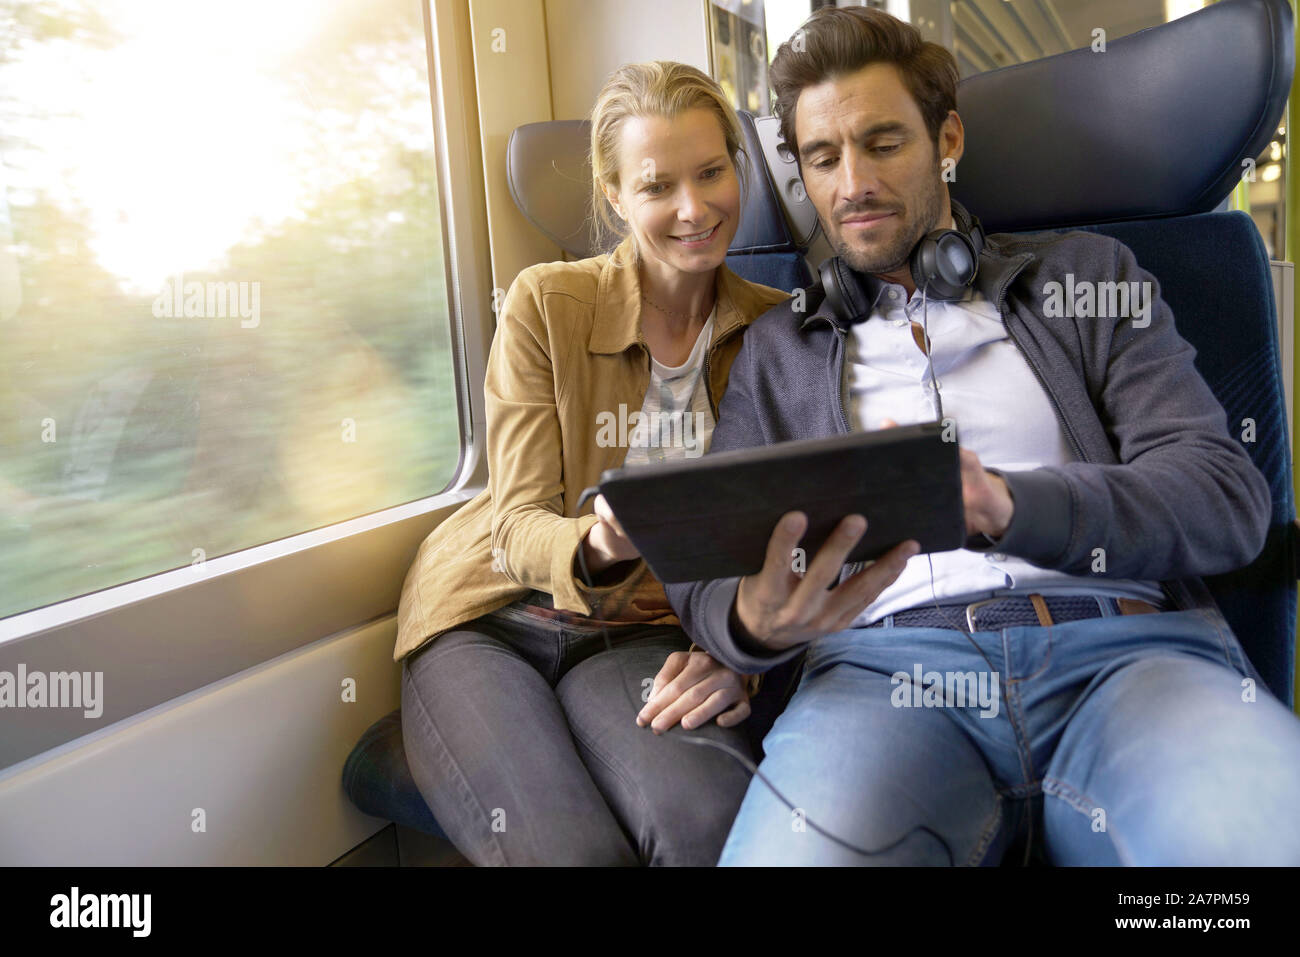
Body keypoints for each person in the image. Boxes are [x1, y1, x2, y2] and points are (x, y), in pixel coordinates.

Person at [664, 6, 1300, 865]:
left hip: (1126, 654)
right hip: (880, 680)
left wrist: (1008, 502)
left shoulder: (1088, 277)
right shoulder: (780, 348)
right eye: (823, 157)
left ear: (947, 138)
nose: (851, 183)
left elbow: (1223, 499)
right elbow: (708, 557)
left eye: (883, 143)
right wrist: (746, 620)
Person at [393, 61, 791, 866]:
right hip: (492, 615)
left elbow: (793, 535)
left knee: (711, 822)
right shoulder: (546, 302)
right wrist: (600, 542)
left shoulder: (783, 332)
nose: (693, 208)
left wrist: (742, 660)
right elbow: (514, 526)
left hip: (644, 630)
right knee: (566, 854)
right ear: (614, 195)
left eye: (712, 172)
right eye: (656, 186)